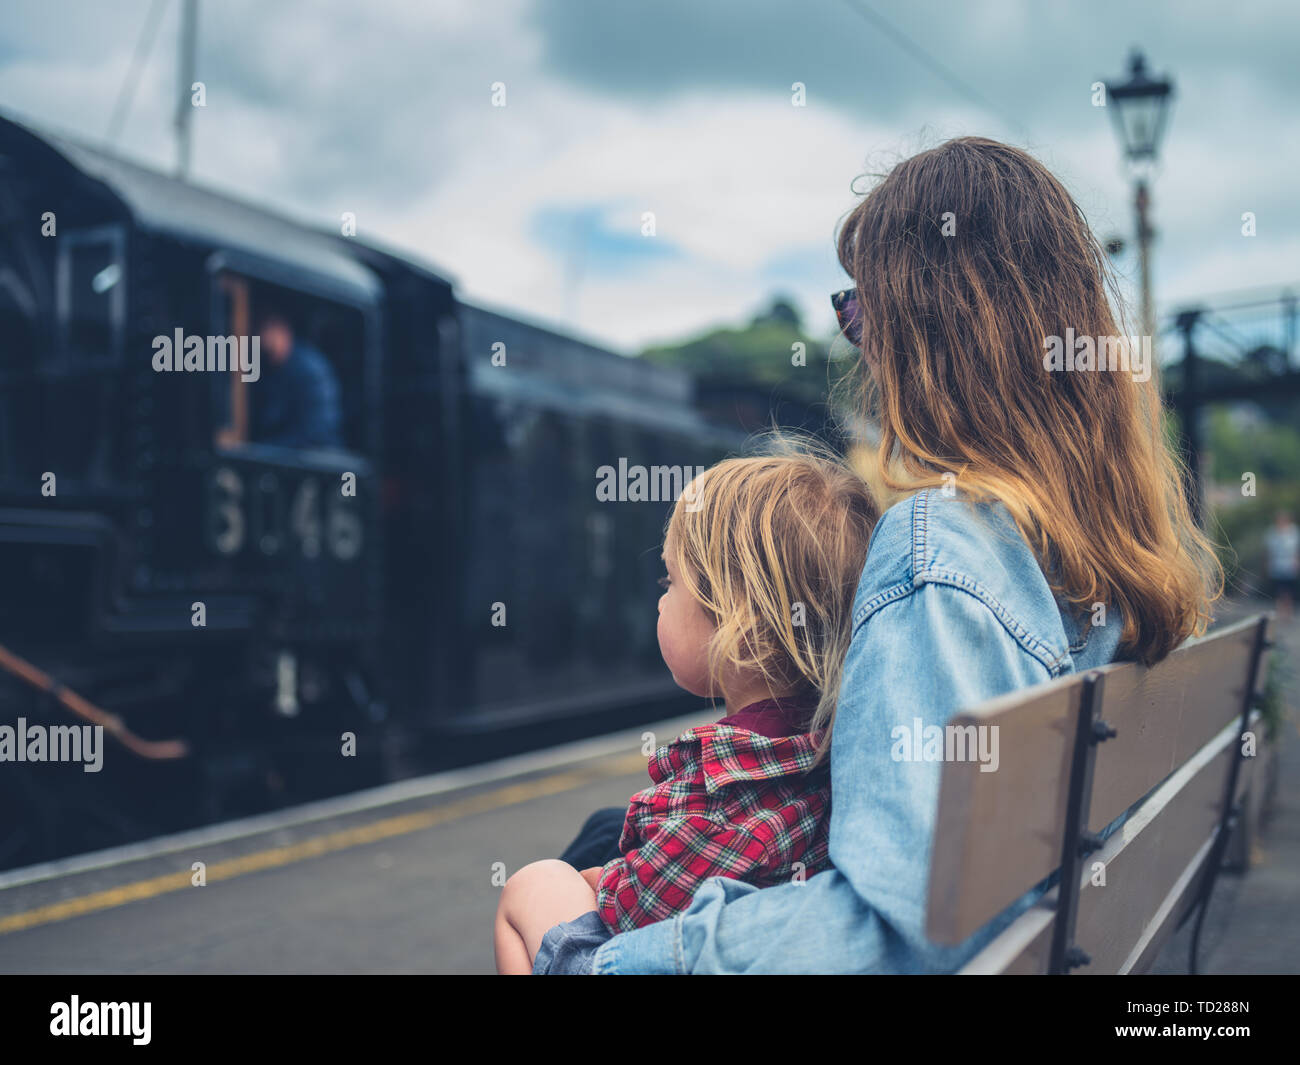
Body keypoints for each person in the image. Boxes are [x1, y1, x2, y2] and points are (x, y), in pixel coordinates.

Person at [536, 135, 1222, 974]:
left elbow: (900, 938)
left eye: (858, 311)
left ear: (924, 334)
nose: (858, 346)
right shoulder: (1113, 570)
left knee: (560, 891)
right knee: (606, 836)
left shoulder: (940, 554)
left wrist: (600, 959)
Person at [494, 452, 878, 974]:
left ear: (737, 621)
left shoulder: (719, 794)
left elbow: (634, 910)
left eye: (670, 582)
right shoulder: (830, 744)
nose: (659, 600)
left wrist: (597, 880)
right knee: (601, 827)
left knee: (532, 883)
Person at [250, 310, 344, 449]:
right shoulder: (266, 369)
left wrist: (261, 451)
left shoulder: (310, 369)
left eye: (262, 328)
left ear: (281, 329)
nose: (257, 336)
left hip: (316, 459)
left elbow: (315, 432)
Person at [1266, 510, 1299, 622]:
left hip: (1289, 566)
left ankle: (1288, 613)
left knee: (1289, 590)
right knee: (1279, 590)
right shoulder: (1273, 533)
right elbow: (1269, 551)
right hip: (1277, 566)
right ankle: (1280, 612)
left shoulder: (1293, 532)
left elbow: (1296, 549)